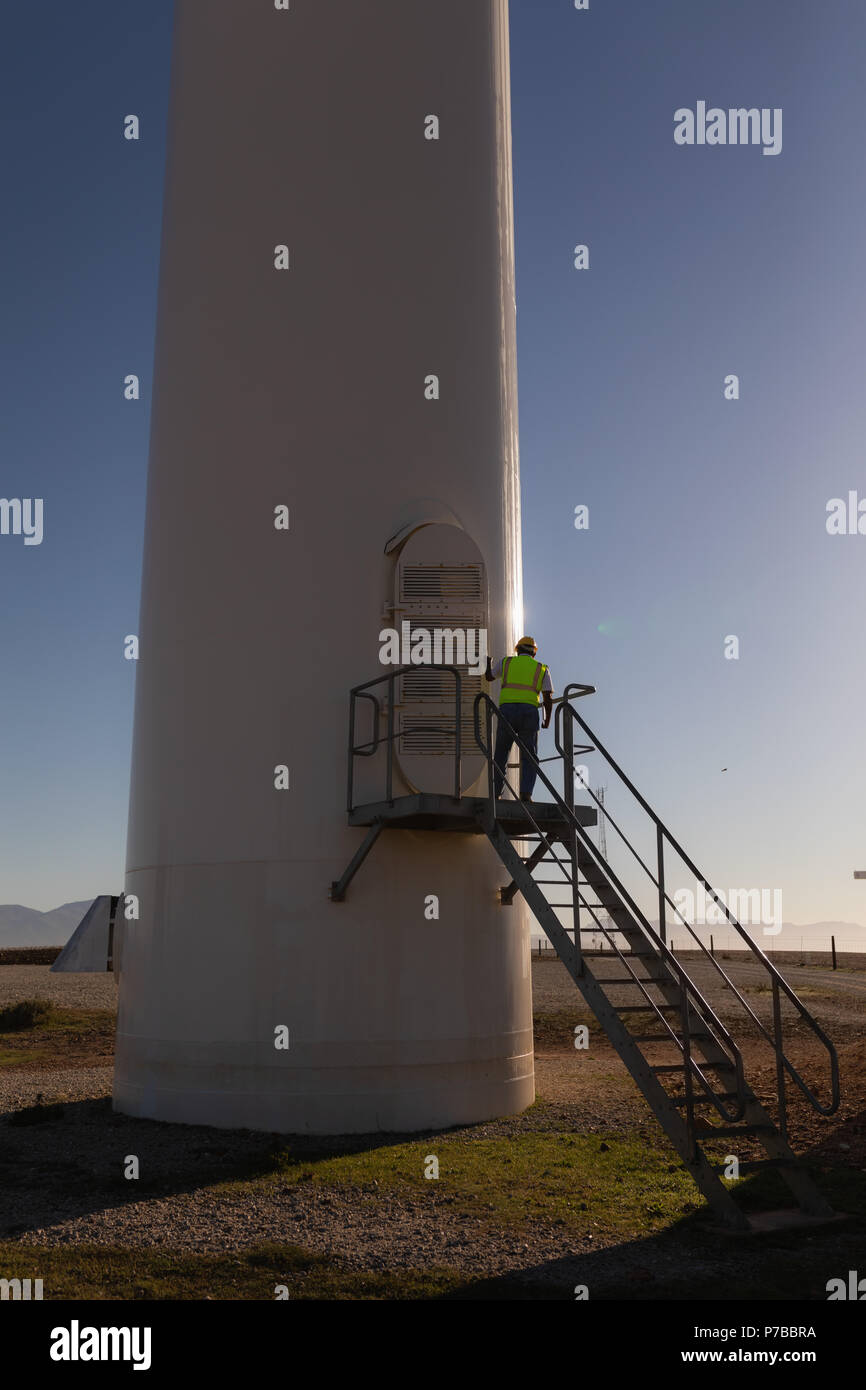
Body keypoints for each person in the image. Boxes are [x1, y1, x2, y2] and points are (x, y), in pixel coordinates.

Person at [484, 637, 553, 801]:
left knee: (501, 753)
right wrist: (547, 720)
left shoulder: (506, 663)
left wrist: (488, 663)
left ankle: (495, 794)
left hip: (506, 711)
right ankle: (526, 794)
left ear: (517, 649)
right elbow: (548, 697)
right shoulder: (541, 668)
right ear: (534, 653)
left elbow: (489, 677)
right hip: (529, 712)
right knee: (529, 755)